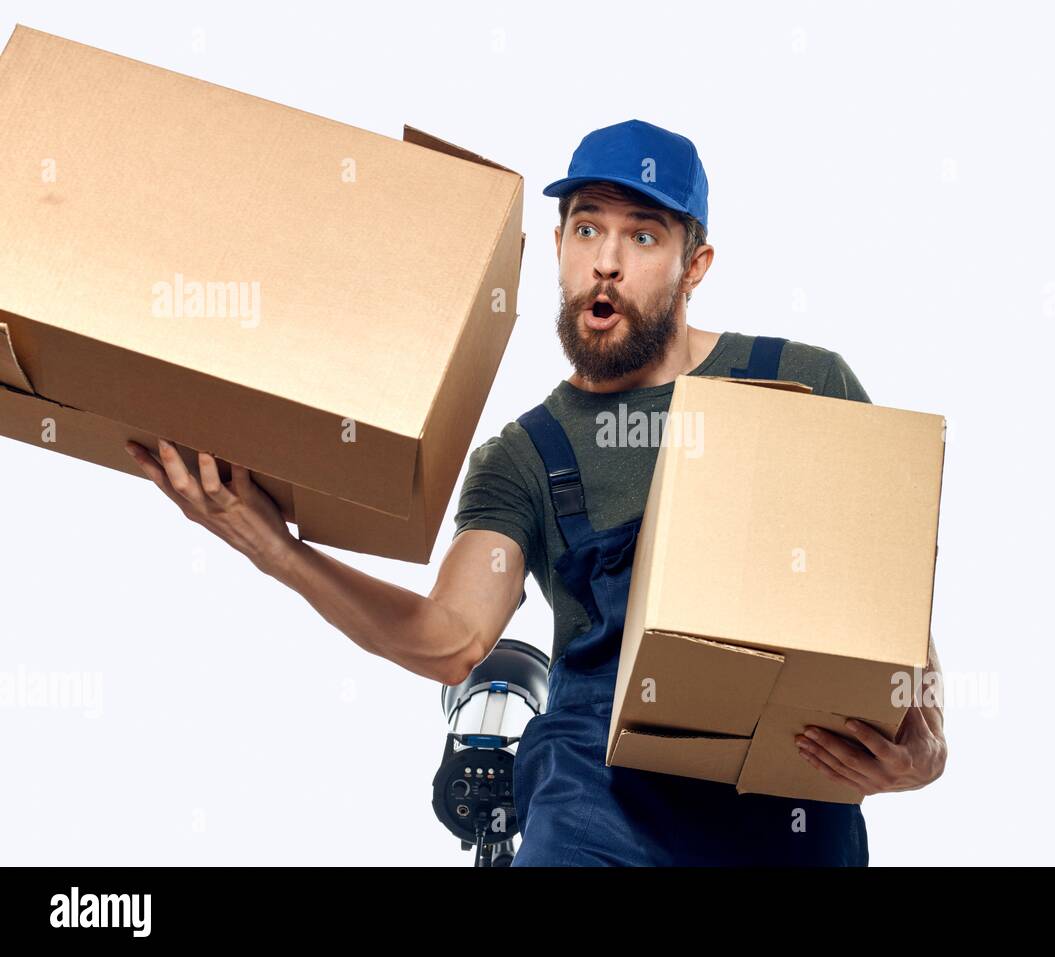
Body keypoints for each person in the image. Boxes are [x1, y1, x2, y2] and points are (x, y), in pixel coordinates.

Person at [124, 118, 947, 867]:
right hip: (597, 814)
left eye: (644, 235)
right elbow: (450, 638)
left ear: (695, 264)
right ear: (558, 244)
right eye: (587, 227)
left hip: (789, 812)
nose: (608, 261)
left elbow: (884, 596)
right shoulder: (525, 453)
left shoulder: (804, 382)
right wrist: (280, 551)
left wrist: (927, 740)